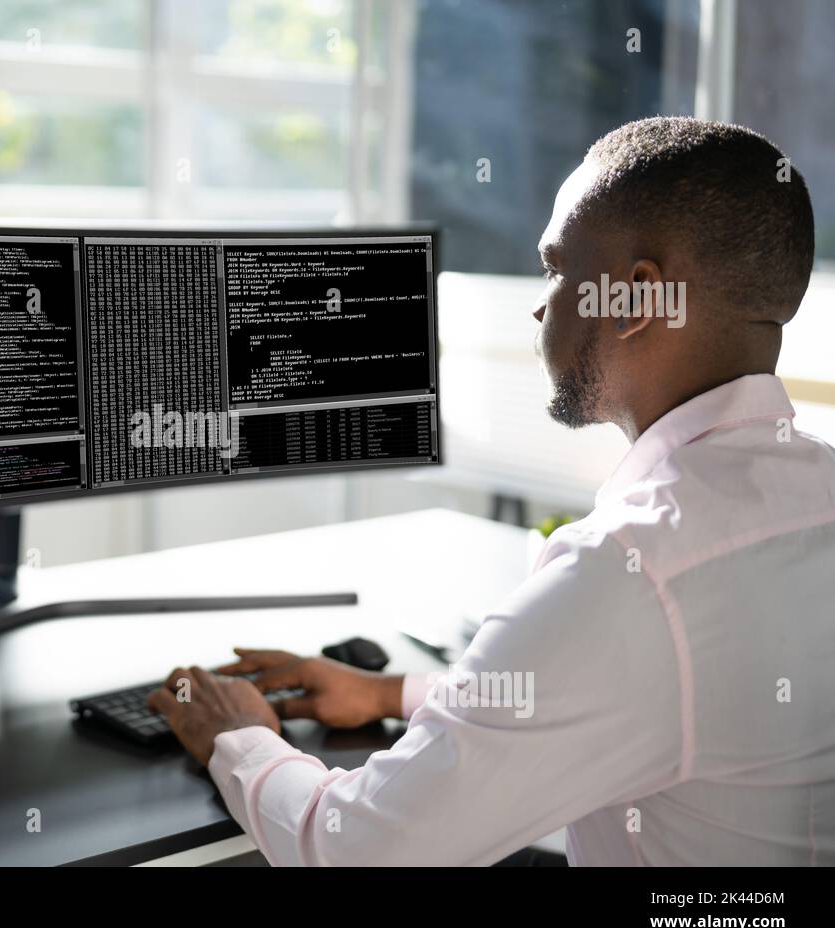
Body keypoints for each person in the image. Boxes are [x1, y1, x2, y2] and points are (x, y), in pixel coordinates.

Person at [148, 116, 834, 866]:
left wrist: (235, 736)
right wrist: (395, 694)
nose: (541, 306)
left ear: (636, 301)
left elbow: (355, 851)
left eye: (554, 268)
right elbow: (641, 694)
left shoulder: (634, 572)